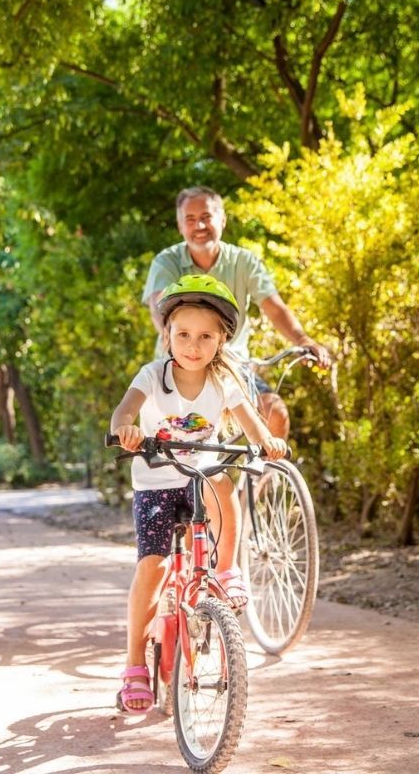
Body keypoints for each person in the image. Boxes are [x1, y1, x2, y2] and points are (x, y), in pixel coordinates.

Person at [109, 273, 288, 715]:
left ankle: (226, 570)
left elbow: (251, 422)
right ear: (167, 335)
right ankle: (134, 663)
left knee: (224, 482)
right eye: (183, 334)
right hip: (156, 482)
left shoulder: (224, 379)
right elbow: (123, 412)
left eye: (205, 336)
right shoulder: (153, 375)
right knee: (153, 568)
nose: (193, 345)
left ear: (222, 340)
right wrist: (126, 430)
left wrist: (266, 441)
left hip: (200, 477)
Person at [143, 185, 331, 440]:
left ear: (222, 219)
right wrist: (174, 342)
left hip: (231, 366)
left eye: (206, 217)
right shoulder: (167, 262)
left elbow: (274, 307)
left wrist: (303, 340)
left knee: (274, 412)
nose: (199, 226)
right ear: (180, 226)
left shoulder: (244, 261)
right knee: (180, 438)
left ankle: (266, 467)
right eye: (190, 219)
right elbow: (160, 308)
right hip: (181, 365)